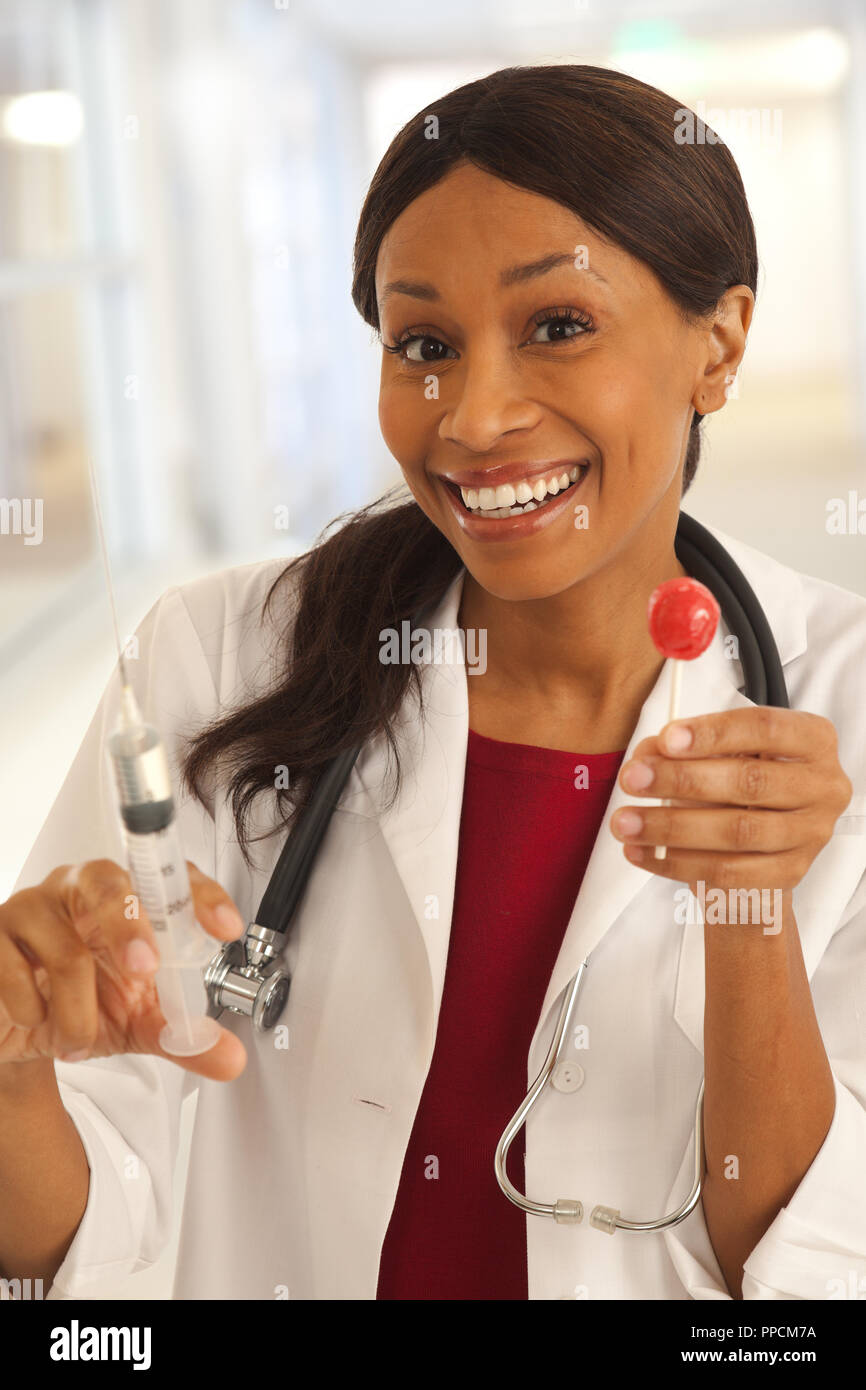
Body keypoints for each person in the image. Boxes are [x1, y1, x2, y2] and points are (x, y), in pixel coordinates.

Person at [1, 64, 865, 1303]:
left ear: (717, 343)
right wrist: (14, 1065)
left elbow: (802, 1273)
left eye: (556, 326)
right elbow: (75, 1237)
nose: (472, 414)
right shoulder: (217, 659)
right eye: (422, 344)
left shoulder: (840, 704)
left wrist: (750, 910)